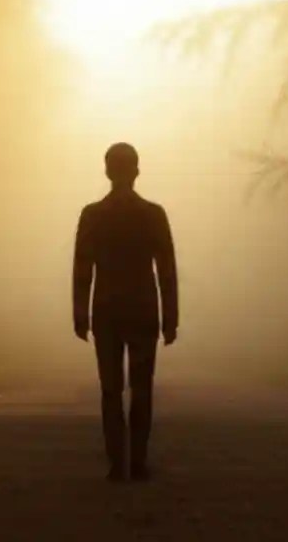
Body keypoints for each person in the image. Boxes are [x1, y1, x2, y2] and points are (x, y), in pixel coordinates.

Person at [73, 142, 178, 482]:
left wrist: (80, 313)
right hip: (143, 309)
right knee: (142, 387)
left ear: (107, 171)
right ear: (136, 171)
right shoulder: (153, 214)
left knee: (111, 389)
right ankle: (138, 462)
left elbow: (82, 267)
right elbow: (166, 270)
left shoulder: (93, 215)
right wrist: (170, 317)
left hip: (106, 310)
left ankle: (117, 462)